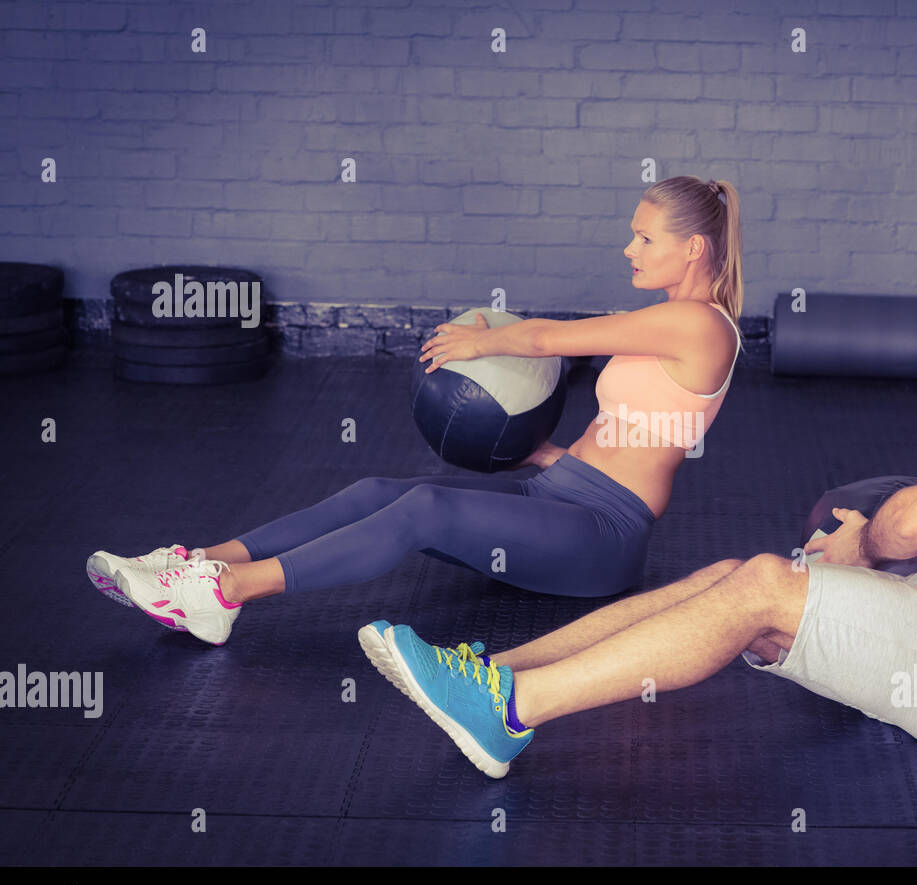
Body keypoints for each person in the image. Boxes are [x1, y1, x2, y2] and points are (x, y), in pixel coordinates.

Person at [357, 243, 917, 779]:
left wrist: (872, 542)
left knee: (760, 587)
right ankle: (495, 670)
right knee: (732, 580)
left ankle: (509, 713)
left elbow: (912, 523)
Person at [87, 176, 745, 646]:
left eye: (644, 237)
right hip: (560, 492)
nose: (629, 249)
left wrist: (482, 341)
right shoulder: (671, 322)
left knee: (424, 512)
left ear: (693, 249)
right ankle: (195, 560)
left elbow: (548, 339)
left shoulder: (699, 326)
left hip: (603, 536)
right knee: (380, 490)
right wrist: (546, 453)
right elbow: (643, 434)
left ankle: (222, 595)